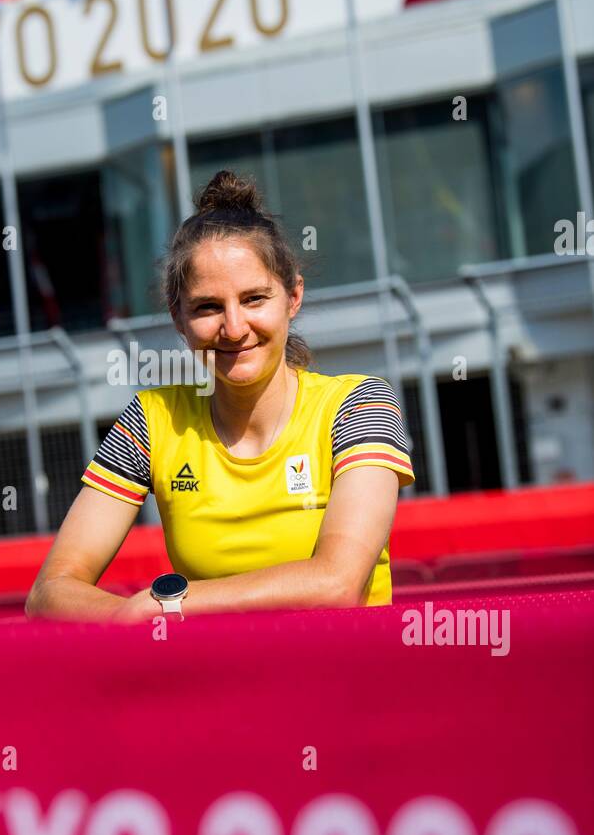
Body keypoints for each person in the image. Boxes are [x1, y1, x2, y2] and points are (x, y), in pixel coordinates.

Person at [26, 171, 414, 622]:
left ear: (293, 296)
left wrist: (172, 603)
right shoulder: (151, 420)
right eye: (208, 307)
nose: (233, 328)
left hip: (342, 684)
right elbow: (50, 592)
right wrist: (128, 618)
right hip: (212, 685)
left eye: (254, 299)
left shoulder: (361, 404)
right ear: (178, 317)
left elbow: (337, 584)